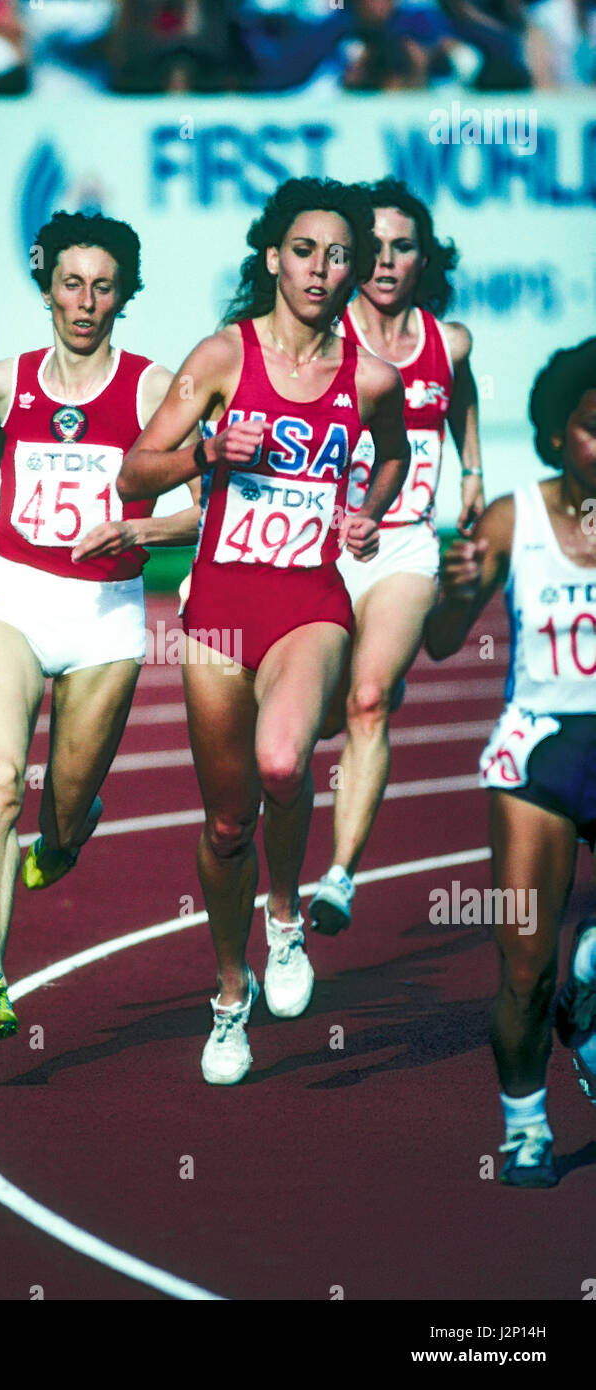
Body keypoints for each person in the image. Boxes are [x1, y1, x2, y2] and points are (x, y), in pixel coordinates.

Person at [117, 177, 410, 1084]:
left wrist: (366, 510)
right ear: (271, 258)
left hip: (308, 606)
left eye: (338, 256)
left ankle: (284, 920)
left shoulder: (367, 378)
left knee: (285, 762)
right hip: (216, 615)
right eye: (304, 251)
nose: (321, 270)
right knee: (227, 820)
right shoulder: (218, 357)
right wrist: (206, 452)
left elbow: (393, 455)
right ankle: (227, 992)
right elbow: (132, 478)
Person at [0, 211, 199, 1045]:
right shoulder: (9, 380)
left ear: (123, 296)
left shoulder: (154, 390)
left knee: (60, 824)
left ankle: (71, 831)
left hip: (106, 616)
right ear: (46, 288)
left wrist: (135, 531)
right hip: (14, 597)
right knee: (0, 783)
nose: (85, 301)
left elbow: (204, 502)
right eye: (70, 283)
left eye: (103, 286)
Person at [425, 337, 596, 1185]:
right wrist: (457, 588)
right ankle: (525, 1125)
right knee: (524, 971)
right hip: (539, 753)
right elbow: (442, 643)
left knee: (579, 958)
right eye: (595, 429)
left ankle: (590, 978)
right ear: (557, 435)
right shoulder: (511, 517)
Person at [310, 177, 484, 934]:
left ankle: (340, 876)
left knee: (369, 700)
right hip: (318, 543)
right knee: (315, 720)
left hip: (403, 541)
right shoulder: (322, 335)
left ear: (424, 258)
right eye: (371, 248)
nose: (384, 263)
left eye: (401, 248)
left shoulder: (448, 342)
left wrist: (471, 469)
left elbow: (461, 395)